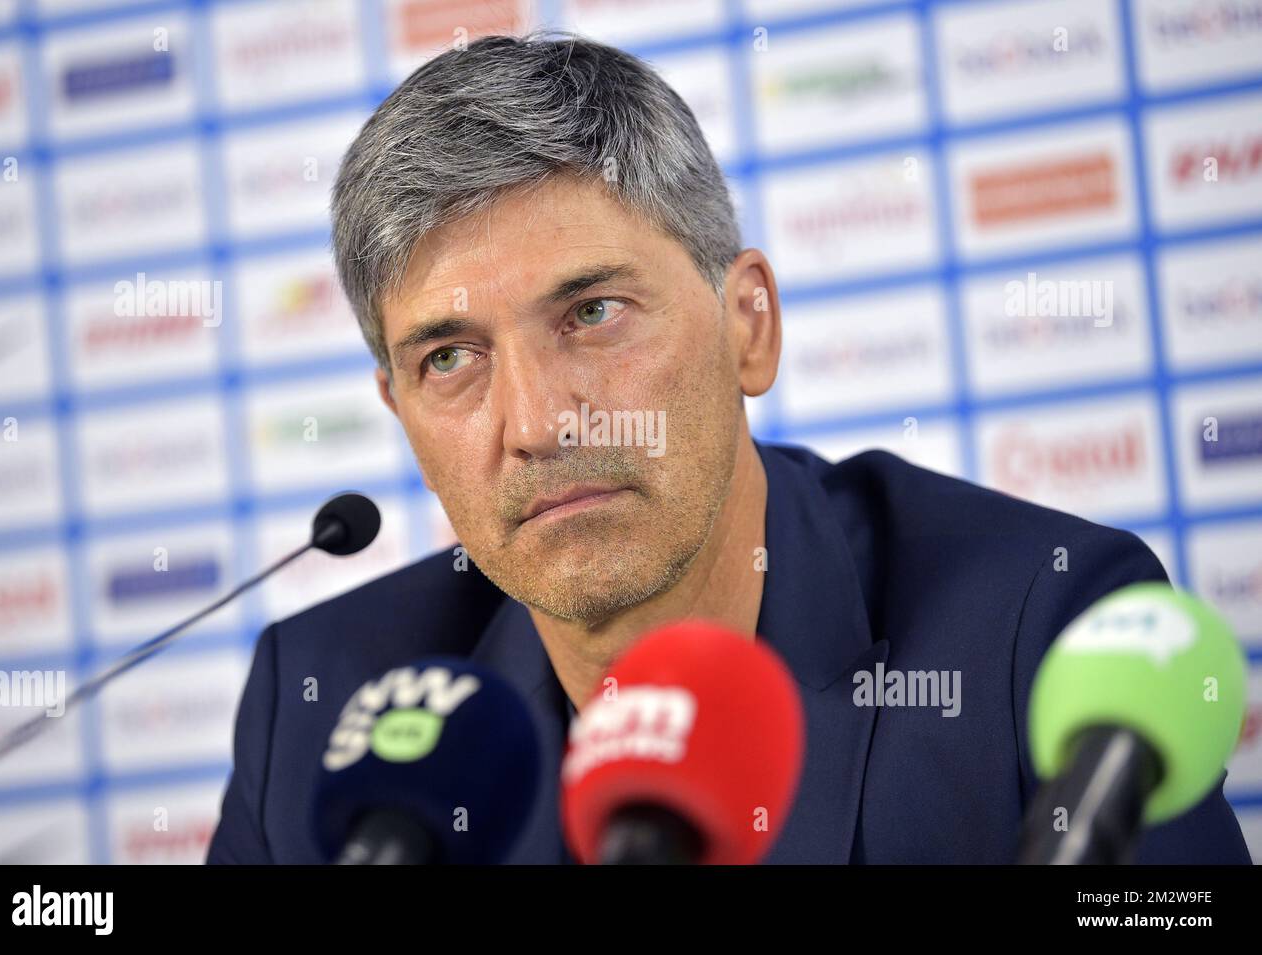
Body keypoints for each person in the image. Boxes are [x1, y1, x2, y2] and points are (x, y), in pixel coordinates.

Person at [207, 32, 1249, 864]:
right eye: (449, 358)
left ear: (747, 323)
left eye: (594, 311)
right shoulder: (323, 705)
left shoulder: (1044, 630)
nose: (535, 425)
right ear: (396, 411)